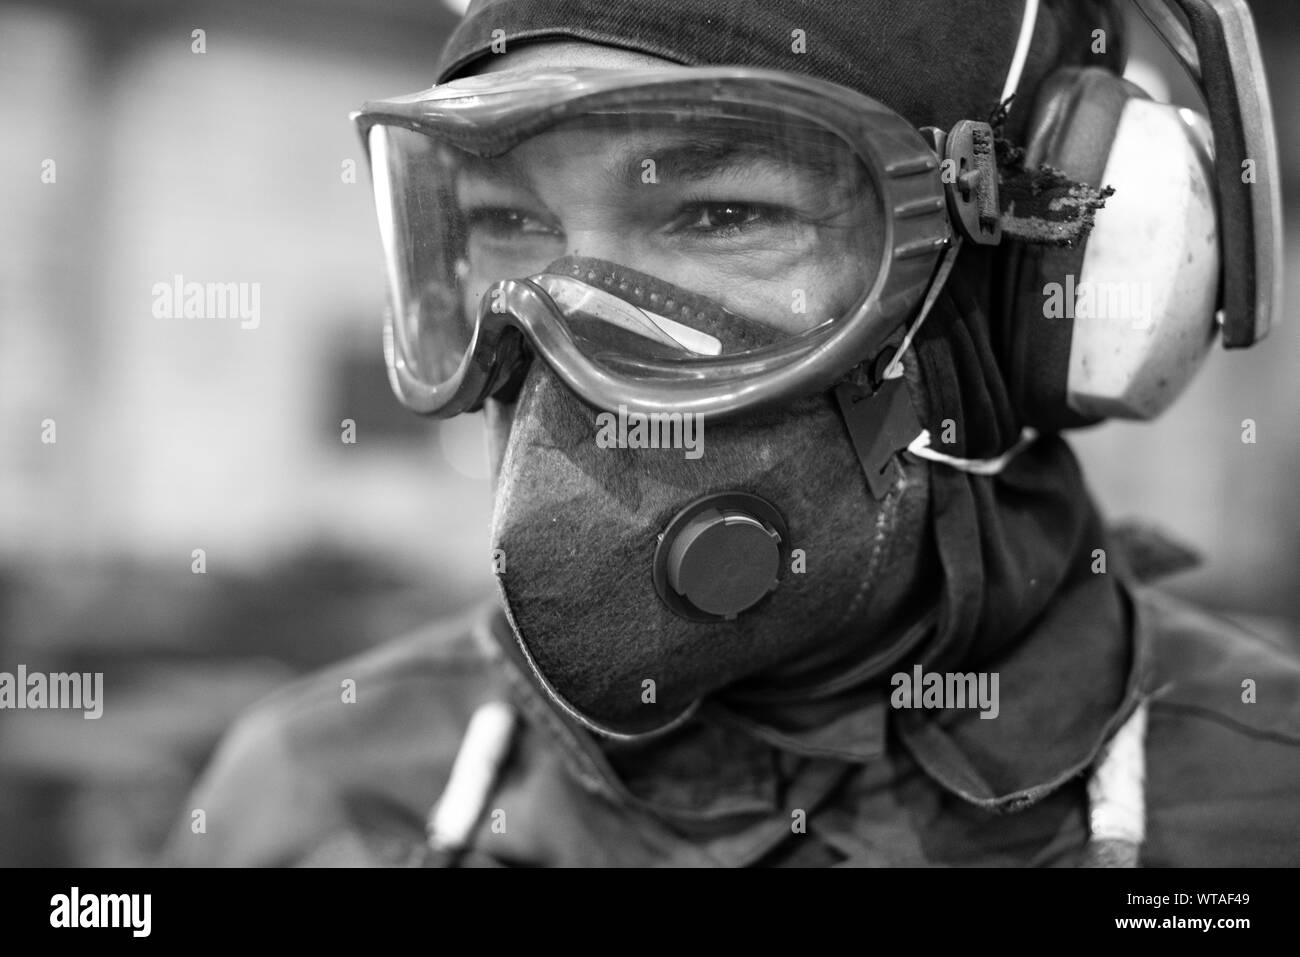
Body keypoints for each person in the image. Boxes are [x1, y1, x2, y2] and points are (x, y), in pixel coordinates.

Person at [164, 0, 1300, 867]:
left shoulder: (1259, 802)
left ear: (1040, 288)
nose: (574, 335)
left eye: (724, 215)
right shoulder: (315, 799)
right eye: (506, 223)